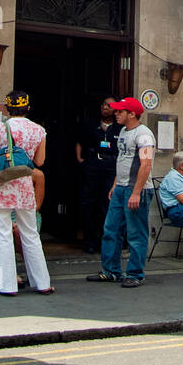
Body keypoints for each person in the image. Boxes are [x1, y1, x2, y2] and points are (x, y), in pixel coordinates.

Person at [0, 91, 52, 296]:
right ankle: (43, 283)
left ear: (7, 108)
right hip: (24, 185)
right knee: (31, 234)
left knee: (2, 236)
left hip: (1, 186)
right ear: (28, 108)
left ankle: (7, 285)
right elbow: (40, 162)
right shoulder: (39, 130)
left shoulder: (0, 128)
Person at [87, 97, 154, 287]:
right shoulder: (124, 131)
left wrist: (136, 192)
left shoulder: (144, 135)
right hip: (122, 188)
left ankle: (135, 274)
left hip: (135, 189)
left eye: (120, 111)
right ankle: (111, 271)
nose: (115, 114)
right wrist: (116, 184)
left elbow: (146, 164)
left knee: (136, 233)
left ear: (132, 114)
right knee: (111, 229)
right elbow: (122, 161)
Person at [76, 95, 120, 253]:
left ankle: (105, 241)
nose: (105, 107)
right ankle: (89, 241)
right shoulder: (90, 124)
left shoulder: (119, 127)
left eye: (109, 105)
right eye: (103, 104)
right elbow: (80, 142)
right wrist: (81, 159)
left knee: (106, 204)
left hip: (110, 168)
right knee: (89, 203)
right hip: (92, 165)